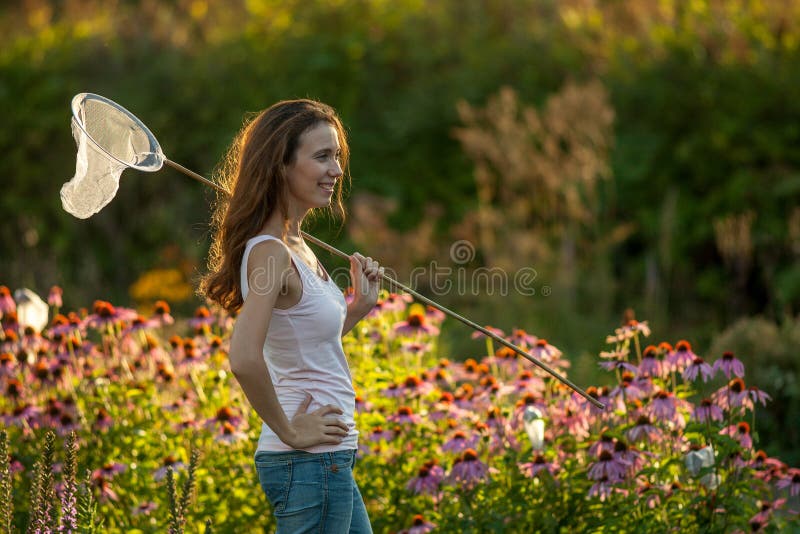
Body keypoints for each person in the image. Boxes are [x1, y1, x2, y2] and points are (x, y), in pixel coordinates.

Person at [200, 99, 381, 533]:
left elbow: (301, 342)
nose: (336, 170)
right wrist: (291, 431)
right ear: (280, 164)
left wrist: (357, 309)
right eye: (321, 156)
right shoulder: (270, 252)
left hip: (329, 462)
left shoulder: (295, 244)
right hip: (308, 463)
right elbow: (243, 356)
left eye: (336, 156)